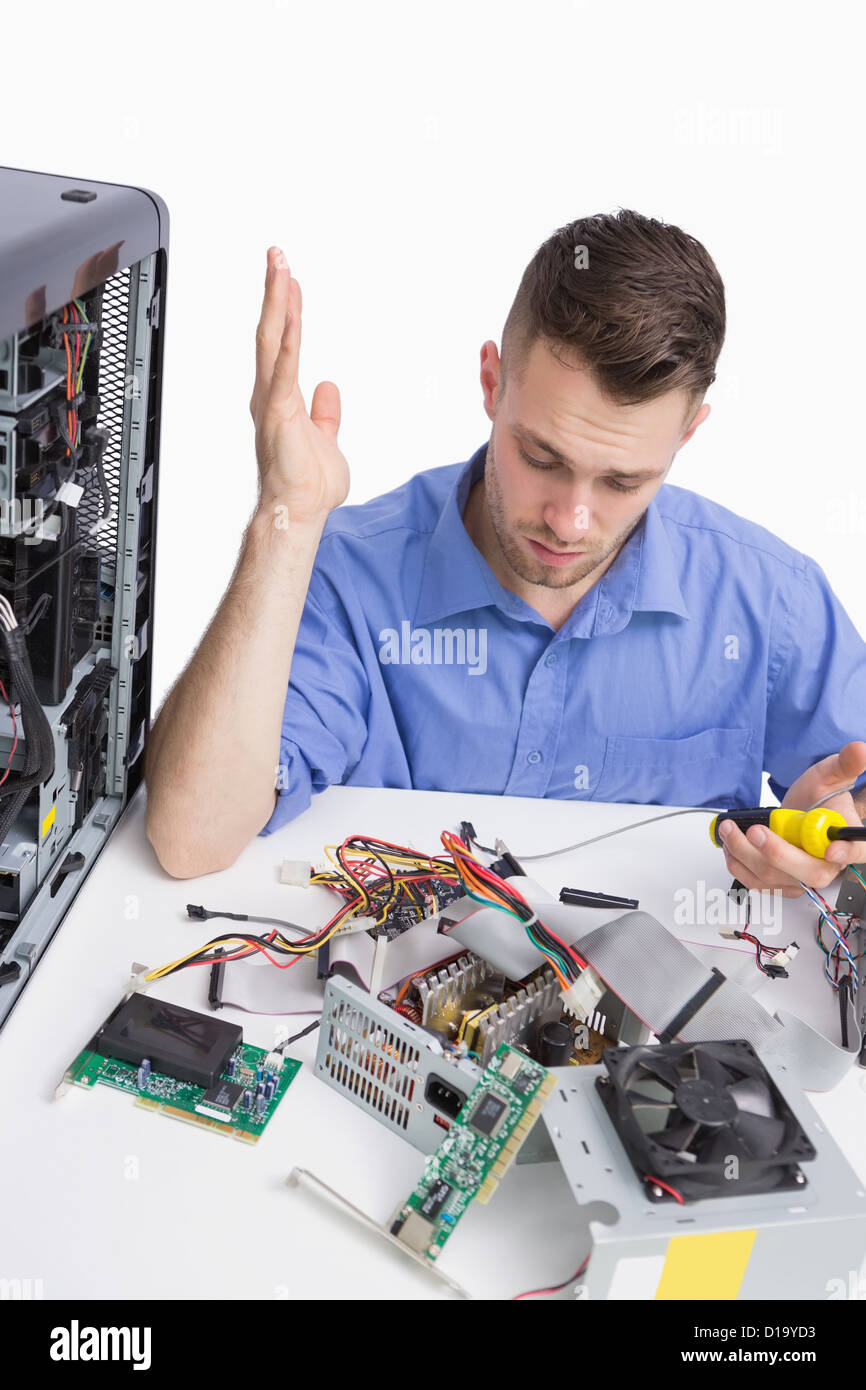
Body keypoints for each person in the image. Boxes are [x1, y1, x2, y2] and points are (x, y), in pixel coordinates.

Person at [144, 211, 866, 895]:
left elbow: (849, 799)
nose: (569, 520)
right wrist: (287, 517)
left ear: (686, 437)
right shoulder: (346, 574)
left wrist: (836, 844)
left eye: (622, 480)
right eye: (542, 456)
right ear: (493, 384)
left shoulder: (772, 600)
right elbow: (192, 838)